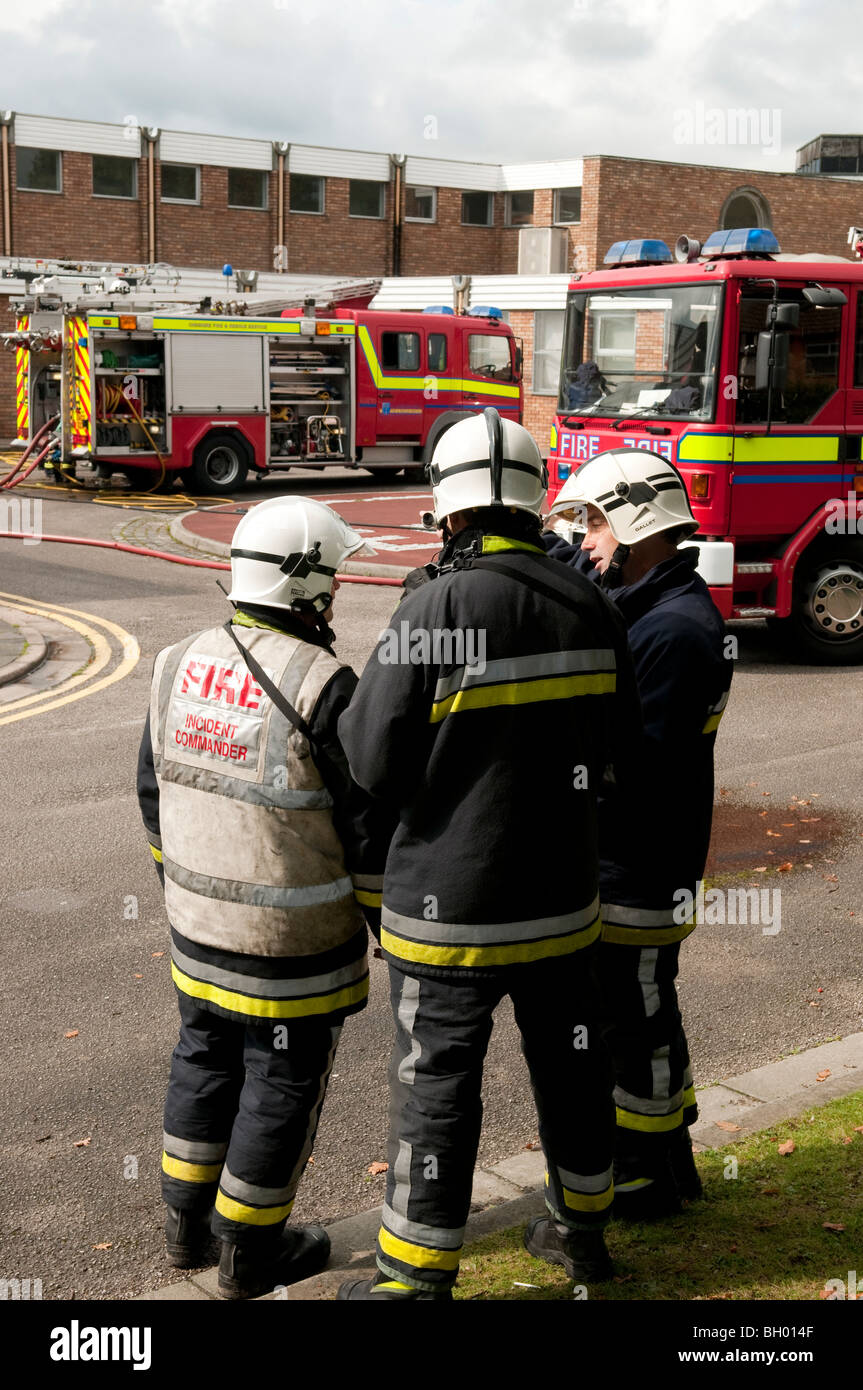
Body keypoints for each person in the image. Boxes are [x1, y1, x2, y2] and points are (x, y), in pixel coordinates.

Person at [336, 408, 642, 1299]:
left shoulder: (434, 604)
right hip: (563, 909)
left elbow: (370, 762)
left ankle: (417, 1280)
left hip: (449, 916)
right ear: (531, 503)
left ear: (450, 511)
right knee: (576, 1074)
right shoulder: (588, 599)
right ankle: (584, 1239)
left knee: (435, 1091)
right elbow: (620, 749)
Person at [136, 496, 387, 1298]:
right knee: (281, 1085)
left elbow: (154, 791)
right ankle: (251, 1251)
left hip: (197, 931)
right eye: (335, 580)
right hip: (291, 948)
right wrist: (390, 925)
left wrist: (180, 890)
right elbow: (365, 829)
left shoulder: (176, 662)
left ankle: (185, 1229)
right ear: (308, 588)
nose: (340, 593)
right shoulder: (325, 684)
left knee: (203, 1062)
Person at [545, 449, 732, 1218]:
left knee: (638, 1023)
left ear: (633, 524)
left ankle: (647, 1178)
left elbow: (634, 770)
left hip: (642, 864)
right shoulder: (653, 603)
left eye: (593, 520)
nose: (585, 537)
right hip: (633, 860)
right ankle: (672, 1159)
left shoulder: (674, 632)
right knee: (641, 1015)